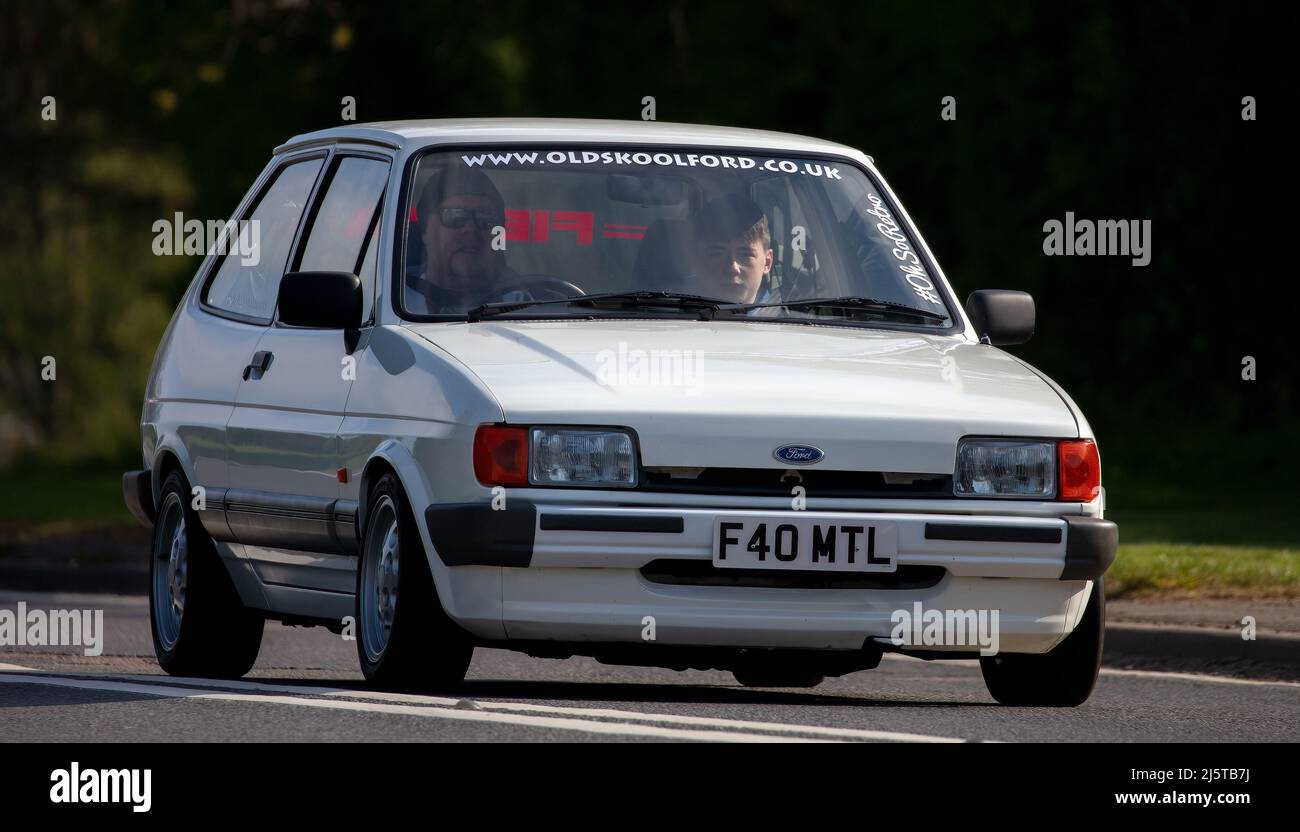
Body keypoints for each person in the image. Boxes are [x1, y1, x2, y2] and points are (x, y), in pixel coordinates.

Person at [405, 165, 516, 314]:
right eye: (455, 216)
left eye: (485, 218)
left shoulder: (531, 302)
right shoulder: (396, 299)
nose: (470, 229)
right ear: (425, 231)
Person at [686, 193, 773, 304]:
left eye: (746, 254)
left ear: (767, 262)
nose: (733, 268)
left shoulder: (788, 316)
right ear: (696, 260)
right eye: (717, 253)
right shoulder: (667, 312)